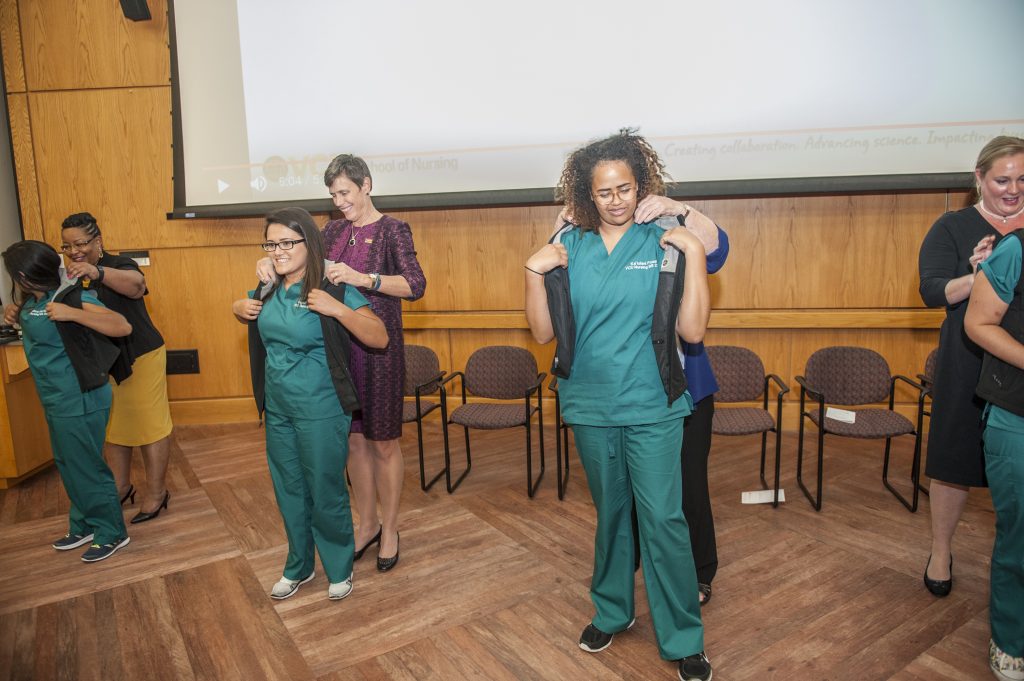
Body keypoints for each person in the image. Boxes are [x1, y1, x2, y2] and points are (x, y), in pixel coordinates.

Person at [525, 129, 713, 681]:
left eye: (625, 189)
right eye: (604, 192)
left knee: (664, 520)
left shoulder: (664, 240)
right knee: (610, 515)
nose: (615, 201)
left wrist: (695, 250)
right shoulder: (569, 245)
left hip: (653, 405)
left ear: (640, 186)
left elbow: (692, 330)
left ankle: (683, 638)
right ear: (587, 194)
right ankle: (612, 610)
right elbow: (542, 333)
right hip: (588, 405)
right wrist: (533, 271)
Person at [257, 154, 426, 572]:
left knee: (383, 442)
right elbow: (295, 258)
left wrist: (364, 279)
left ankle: (390, 528)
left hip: (378, 351)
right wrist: (267, 263)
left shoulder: (392, 229)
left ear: (366, 185)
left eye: (345, 193)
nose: (340, 202)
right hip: (335, 352)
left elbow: (415, 284)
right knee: (350, 442)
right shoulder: (330, 230)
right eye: (333, 195)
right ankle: (366, 524)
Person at [235, 207, 388, 600]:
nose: (278, 251)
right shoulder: (267, 286)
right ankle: (298, 566)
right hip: (278, 408)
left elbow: (379, 336)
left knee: (324, 488)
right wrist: (240, 309)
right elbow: (256, 320)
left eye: (288, 242)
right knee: (288, 489)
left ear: (309, 242)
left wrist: (338, 310)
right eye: (271, 244)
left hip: (321, 407)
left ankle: (338, 567)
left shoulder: (332, 286)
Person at [917, 135, 1024, 597]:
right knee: (954, 458)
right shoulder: (953, 226)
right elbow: (931, 292)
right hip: (967, 358)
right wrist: (977, 275)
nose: (1013, 189)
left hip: (1017, 366)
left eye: (1022, 179)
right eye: (1002, 180)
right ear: (979, 179)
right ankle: (941, 551)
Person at [2, 240, 133, 562]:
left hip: (81, 397)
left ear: (23, 275)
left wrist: (72, 313)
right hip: (55, 398)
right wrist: (15, 311)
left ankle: (112, 531)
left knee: (87, 466)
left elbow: (121, 325)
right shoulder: (33, 299)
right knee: (68, 463)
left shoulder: (70, 297)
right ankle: (85, 523)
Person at [627, 199, 729, 606]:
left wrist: (681, 209)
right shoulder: (598, 235)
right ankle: (632, 561)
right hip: (629, 387)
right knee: (628, 486)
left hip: (687, 385)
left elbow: (718, 251)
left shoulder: (669, 224)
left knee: (689, 484)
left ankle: (699, 569)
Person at [60, 212, 174, 523]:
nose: (74, 251)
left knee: (150, 426)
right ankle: (121, 487)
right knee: (114, 428)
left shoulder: (119, 264)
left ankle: (157, 492)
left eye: (80, 243)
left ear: (98, 241)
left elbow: (136, 286)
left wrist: (96, 272)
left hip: (140, 355)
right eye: (67, 246)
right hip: (102, 363)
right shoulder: (68, 275)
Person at [964, 162, 1024, 681]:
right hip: (1016, 415)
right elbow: (978, 322)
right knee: (1019, 541)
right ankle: (1010, 639)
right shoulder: (1014, 249)